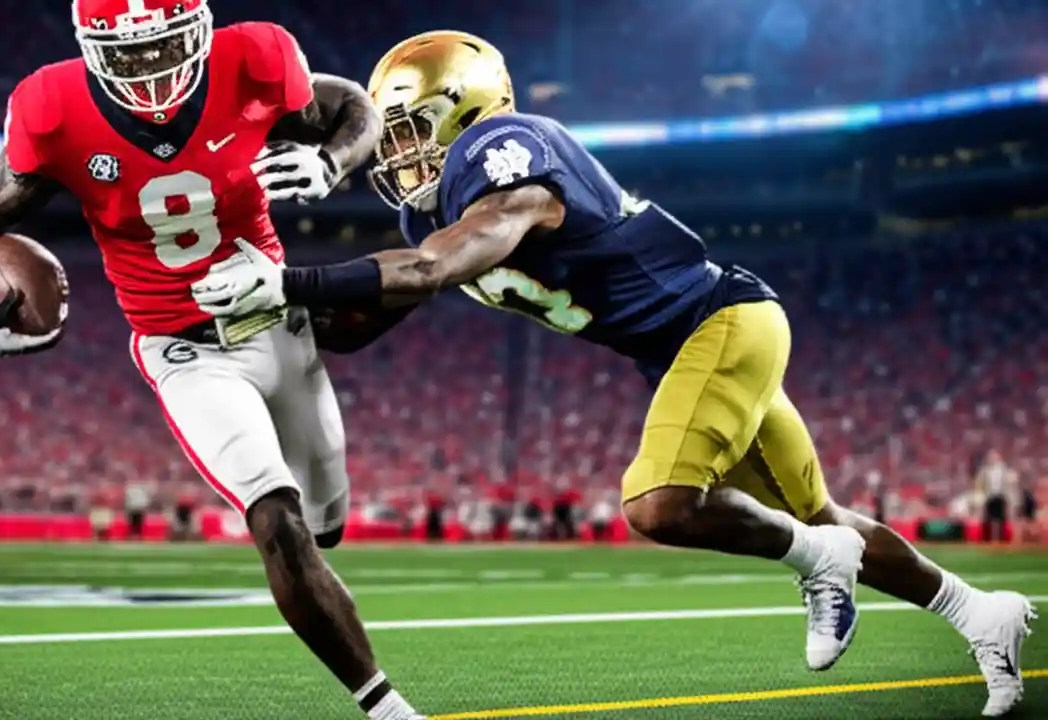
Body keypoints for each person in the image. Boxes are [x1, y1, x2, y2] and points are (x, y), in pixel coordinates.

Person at [192, 30, 1037, 717]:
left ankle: (819, 560)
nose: (398, 156)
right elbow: (369, 318)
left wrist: (293, 280)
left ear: (465, 113)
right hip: (688, 348)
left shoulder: (507, 149)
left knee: (659, 503)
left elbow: (434, 267)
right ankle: (977, 612)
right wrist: (280, 318)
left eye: (410, 130)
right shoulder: (437, 207)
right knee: (816, 508)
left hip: (724, 324)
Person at [0, 2, 420, 717]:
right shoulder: (53, 108)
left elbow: (354, 104)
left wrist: (333, 160)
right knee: (278, 524)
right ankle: (385, 706)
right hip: (182, 348)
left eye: (165, 47)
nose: (152, 72)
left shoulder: (254, 59)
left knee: (326, 526)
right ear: (91, 49)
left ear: (199, 30)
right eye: (129, 55)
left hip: (278, 322)